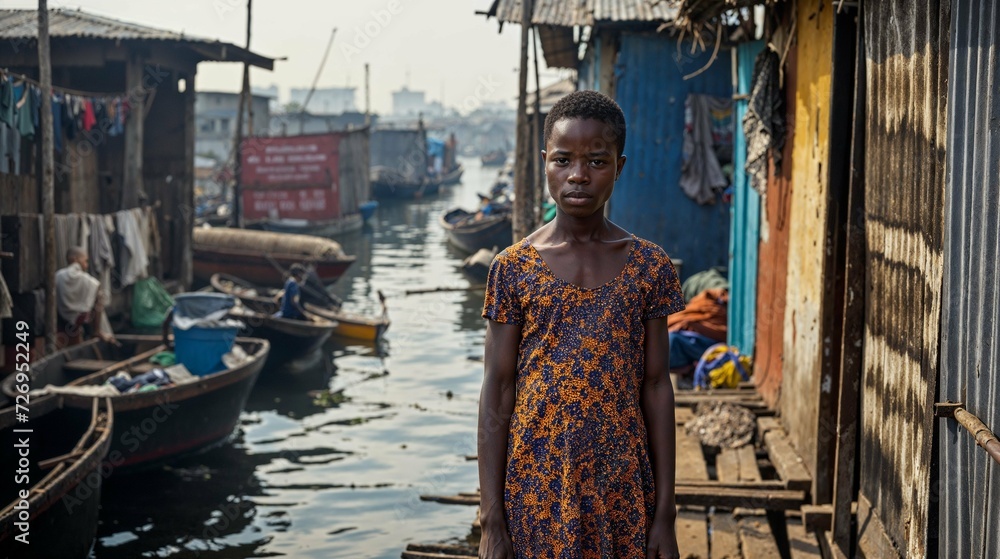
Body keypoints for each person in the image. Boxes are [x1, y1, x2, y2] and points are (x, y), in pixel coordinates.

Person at [479, 90, 684, 559]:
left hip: (624, 490)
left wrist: (665, 513)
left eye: (596, 161)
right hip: (536, 490)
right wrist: (492, 518)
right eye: (562, 160)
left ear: (620, 166)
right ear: (545, 163)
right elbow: (498, 387)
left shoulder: (649, 267)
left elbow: (656, 386)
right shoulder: (513, 268)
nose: (577, 175)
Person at [55, 246, 115, 347]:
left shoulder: (58, 275)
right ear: (75, 259)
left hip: (62, 320)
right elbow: (96, 288)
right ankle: (96, 331)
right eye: (85, 261)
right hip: (79, 319)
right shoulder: (87, 280)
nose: (86, 265)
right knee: (98, 293)